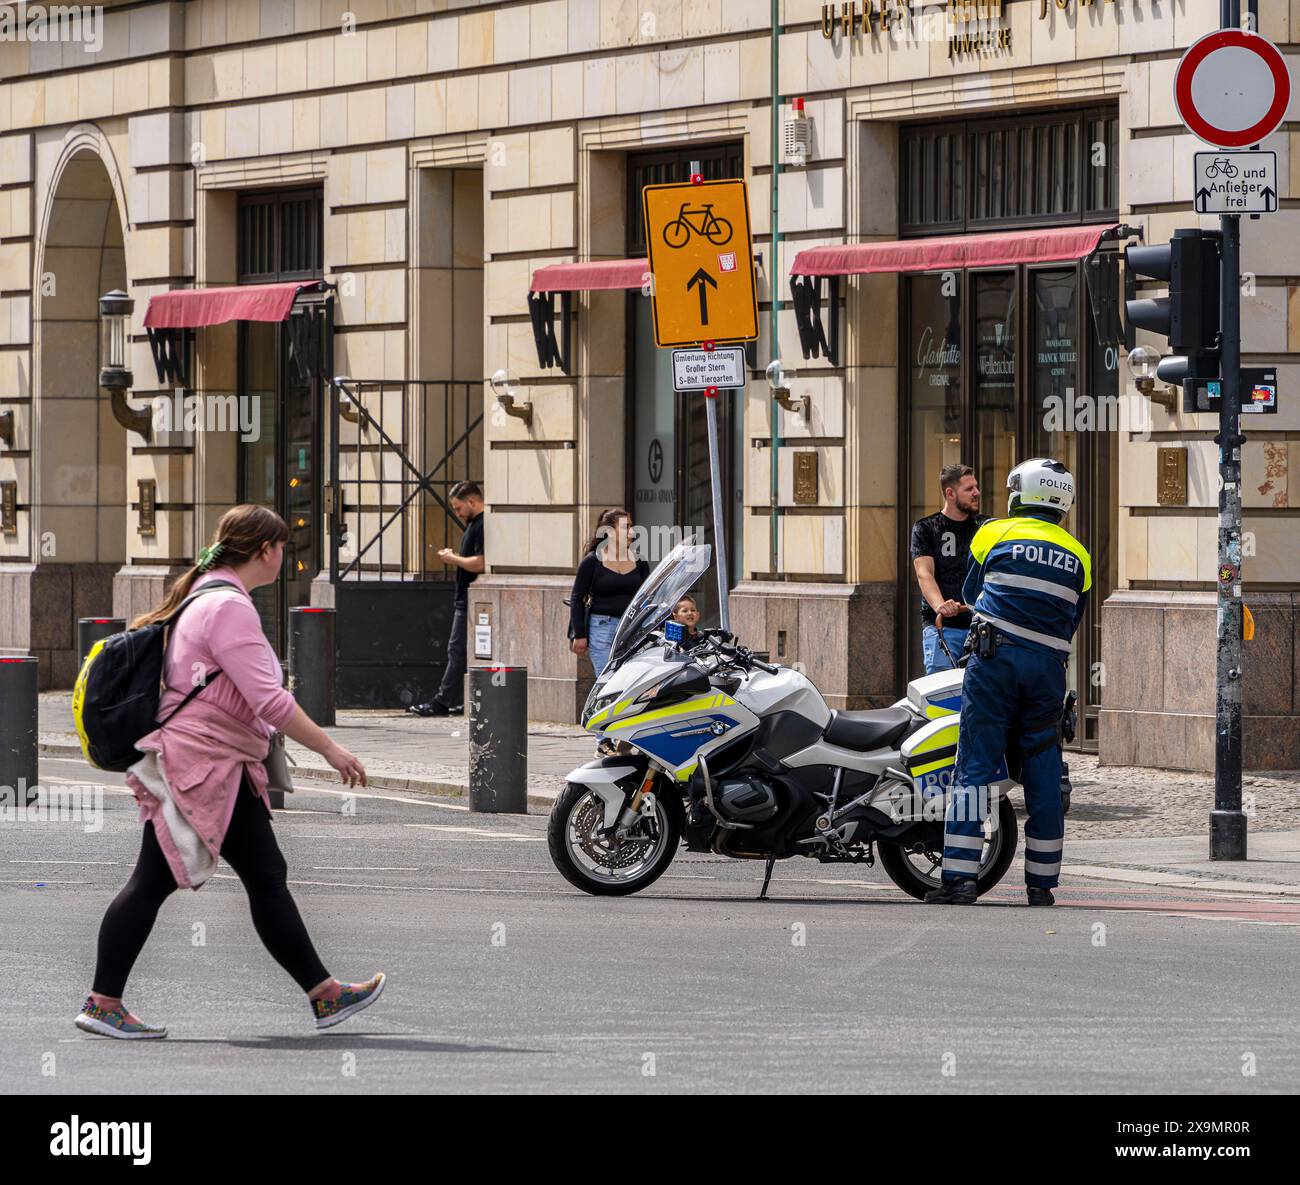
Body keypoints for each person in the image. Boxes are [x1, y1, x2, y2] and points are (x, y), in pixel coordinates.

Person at [76, 505, 383, 1039]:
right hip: (202, 764)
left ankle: (324, 994)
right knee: (153, 880)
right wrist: (332, 749)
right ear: (264, 551)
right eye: (283, 547)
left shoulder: (206, 595)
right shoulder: (227, 608)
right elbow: (271, 701)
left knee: (266, 875)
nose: (286, 557)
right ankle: (103, 1002)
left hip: (216, 763)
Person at [925, 458, 1090, 908]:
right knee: (1043, 770)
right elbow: (1072, 619)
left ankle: (959, 879)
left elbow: (975, 594)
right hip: (1048, 673)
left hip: (994, 663)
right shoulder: (1079, 555)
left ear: (1021, 494)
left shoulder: (994, 532)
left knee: (974, 766)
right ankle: (1041, 884)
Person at [410, 480, 485, 717]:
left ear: (471, 501)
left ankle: (443, 701)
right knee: (463, 651)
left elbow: (480, 562)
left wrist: (453, 559)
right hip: (466, 598)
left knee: (457, 650)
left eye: (458, 507)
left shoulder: (482, 525)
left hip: (470, 599)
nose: (457, 513)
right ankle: (462, 699)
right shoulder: (475, 524)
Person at [910, 463, 984, 674]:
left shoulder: (985, 526)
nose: (976, 493)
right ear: (950, 493)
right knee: (944, 698)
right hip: (944, 628)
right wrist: (940, 605)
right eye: (969, 489)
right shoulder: (926, 528)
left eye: (976, 487)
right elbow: (924, 573)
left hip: (981, 627)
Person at [569, 509, 649, 677]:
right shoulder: (592, 561)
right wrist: (579, 634)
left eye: (631, 526)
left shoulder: (639, 561)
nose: (632, 532)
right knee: (607, 680)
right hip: (601, 628)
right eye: (626, 527)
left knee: (629, 680)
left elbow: (649, 595)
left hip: (631, 629)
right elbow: (577, 598)